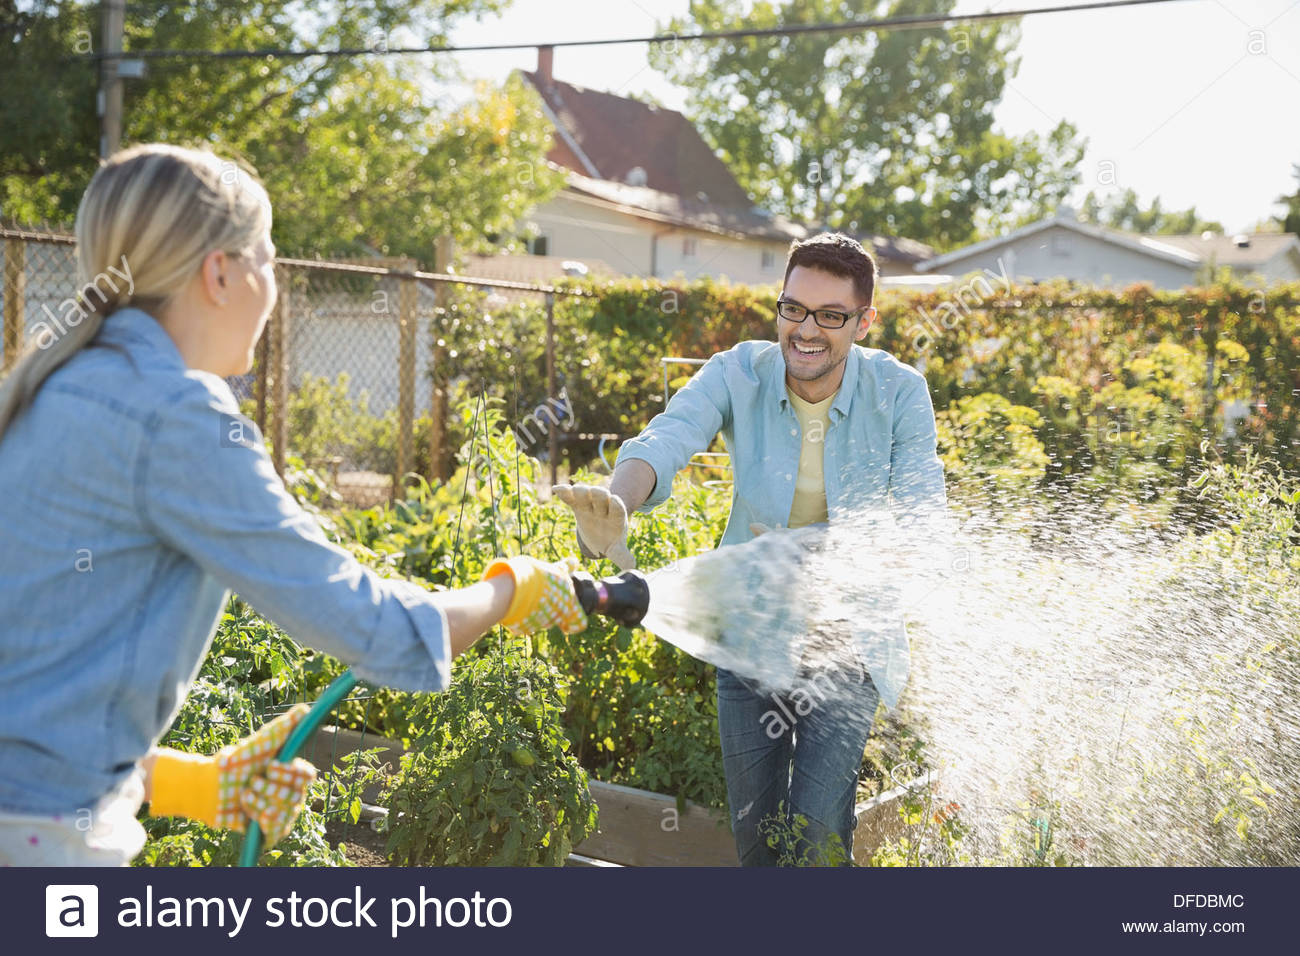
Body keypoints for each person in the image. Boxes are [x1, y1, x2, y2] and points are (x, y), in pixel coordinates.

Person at [0, 143, 586, 866]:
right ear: (220, 272)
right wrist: (512, 588)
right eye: (269, 260)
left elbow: (38, 685)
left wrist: (194, 784)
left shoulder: (41, 393)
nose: (274, 288)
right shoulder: (178, 416)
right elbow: (378, 630)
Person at [553, 233, 947, 865]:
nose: (806, 330)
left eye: (830, 315)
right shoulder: (739, 370)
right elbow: (668, 437)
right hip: (749, 635)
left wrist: (826, 558)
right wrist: (618, 502)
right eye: (793, 308)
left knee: (817, 837)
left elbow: (924, 516)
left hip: (847, 647)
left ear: (864, 321)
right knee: (757, 843)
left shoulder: (898, 392)